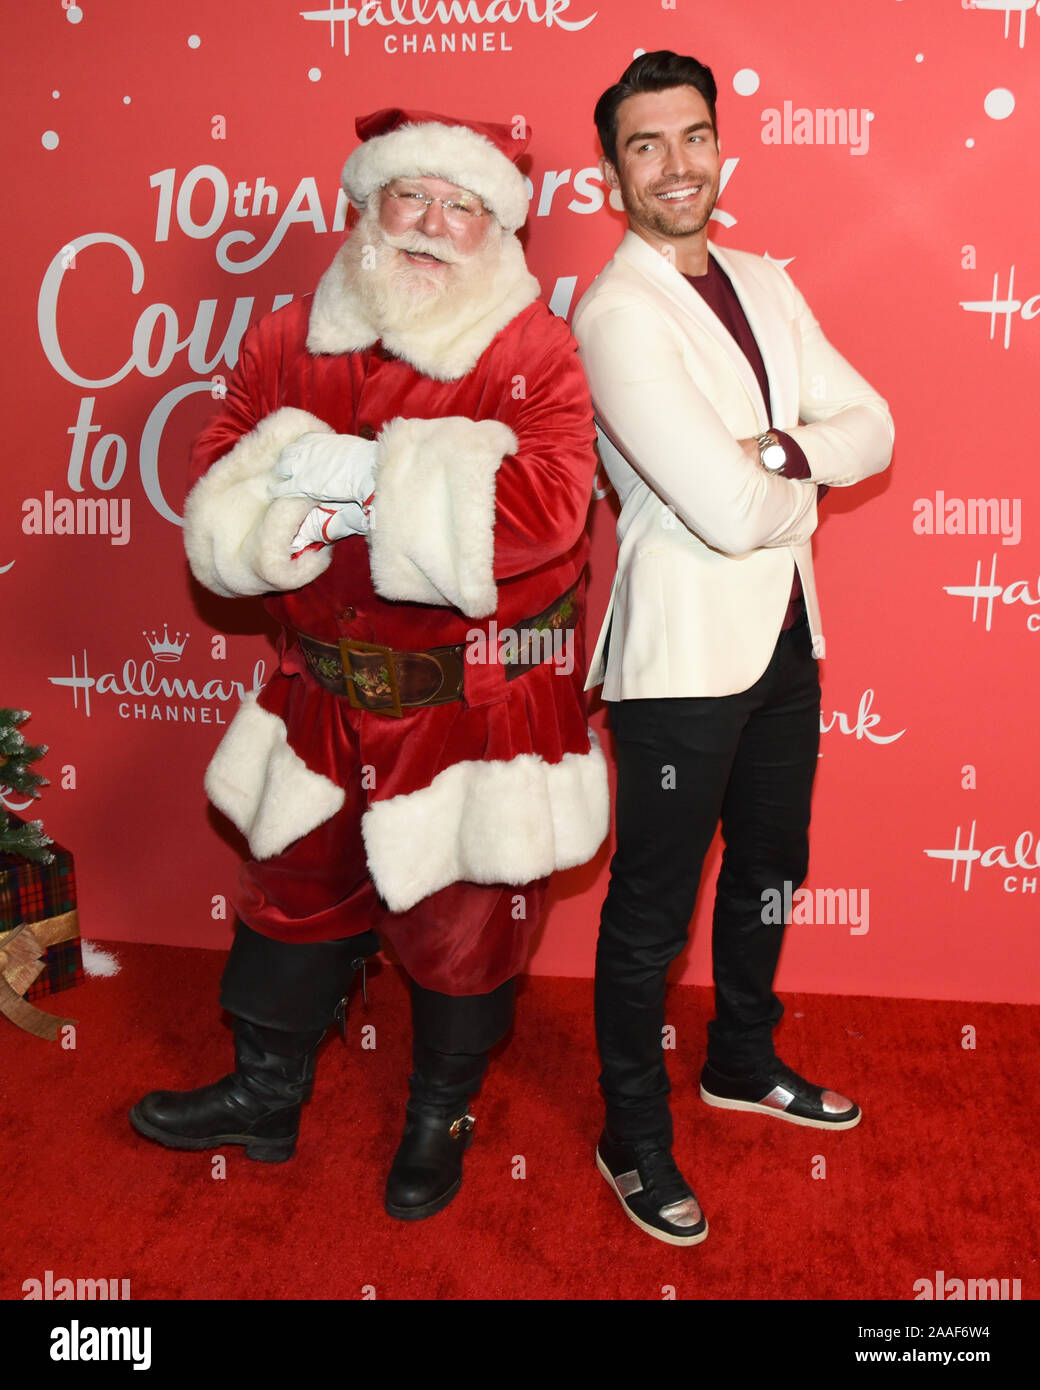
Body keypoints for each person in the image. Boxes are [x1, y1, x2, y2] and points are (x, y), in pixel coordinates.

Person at [130, 108, 608, 1222]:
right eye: (411, 198)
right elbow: (219, 470)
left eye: (461, 205)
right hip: (318, 694)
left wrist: (372, 480)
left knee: (460, 930)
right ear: (367, 207)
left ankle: (439, 1115)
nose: (432, 225)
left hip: (462, 714)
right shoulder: (288, 333)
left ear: (495, 226)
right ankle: (265, 1093)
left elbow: (545, 513)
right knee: (283, 902)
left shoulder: (532, 346)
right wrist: (272, 508)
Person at [572, 52, 894, 1245]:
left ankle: (740, 1058)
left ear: (720, 147)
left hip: (785, 636)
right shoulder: (609, 313)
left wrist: (773, 456)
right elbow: (721, 509)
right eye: (645, 145)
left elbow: (877, 423)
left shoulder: (764, 280)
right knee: (651, 910)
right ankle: (631, 1133)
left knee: (770, 861)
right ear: (611, 172)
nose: (674, 164)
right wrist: (789, 464)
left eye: (690, 136)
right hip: (681, 663)